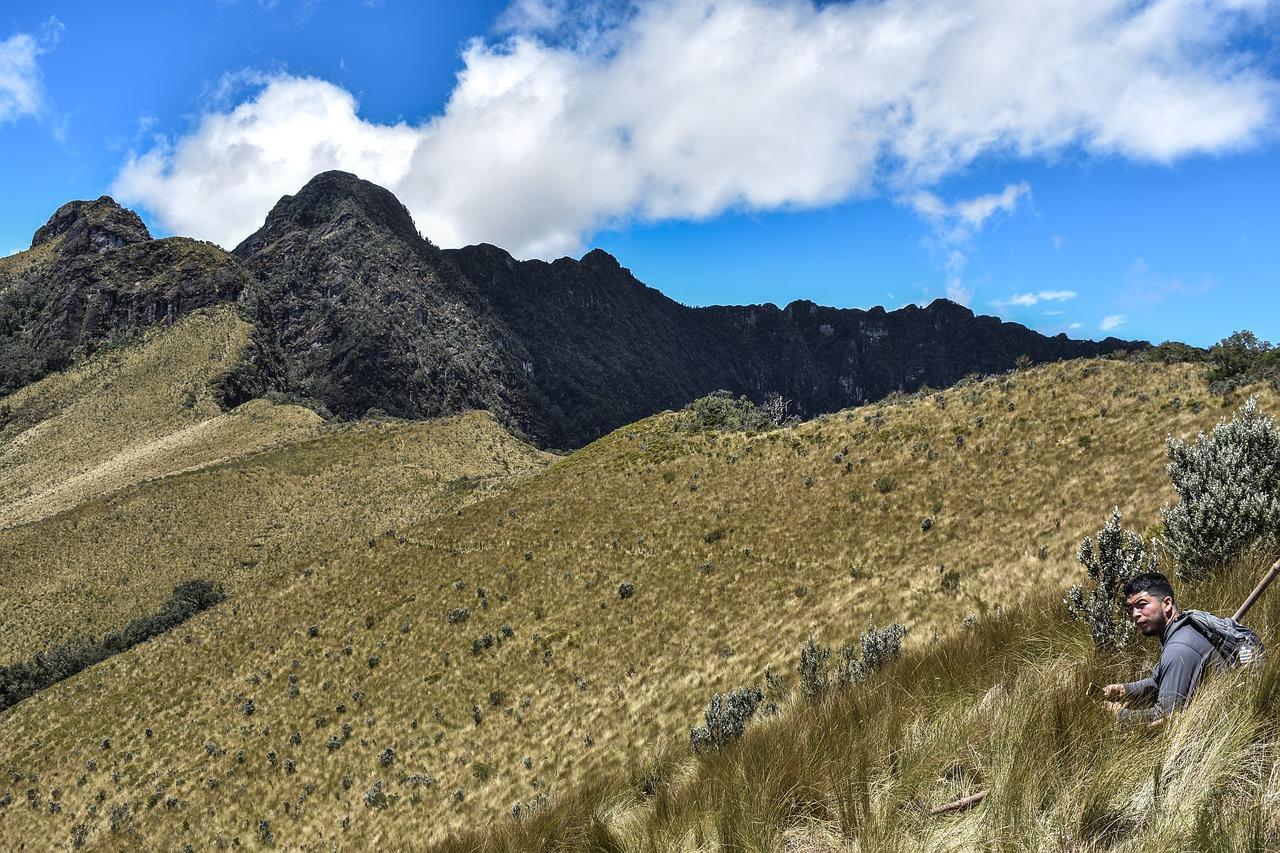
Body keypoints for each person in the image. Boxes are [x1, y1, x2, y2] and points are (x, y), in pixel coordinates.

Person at [1100, 571, 1221, 724]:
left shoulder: (1178, 649)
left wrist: (1121, 715)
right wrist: (1126, 690)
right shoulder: (1184, 626)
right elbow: (1159, 680)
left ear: (1167, 604)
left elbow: (1166, 716)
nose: (1135, 614)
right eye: (1130, 608)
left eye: (1142, 605)